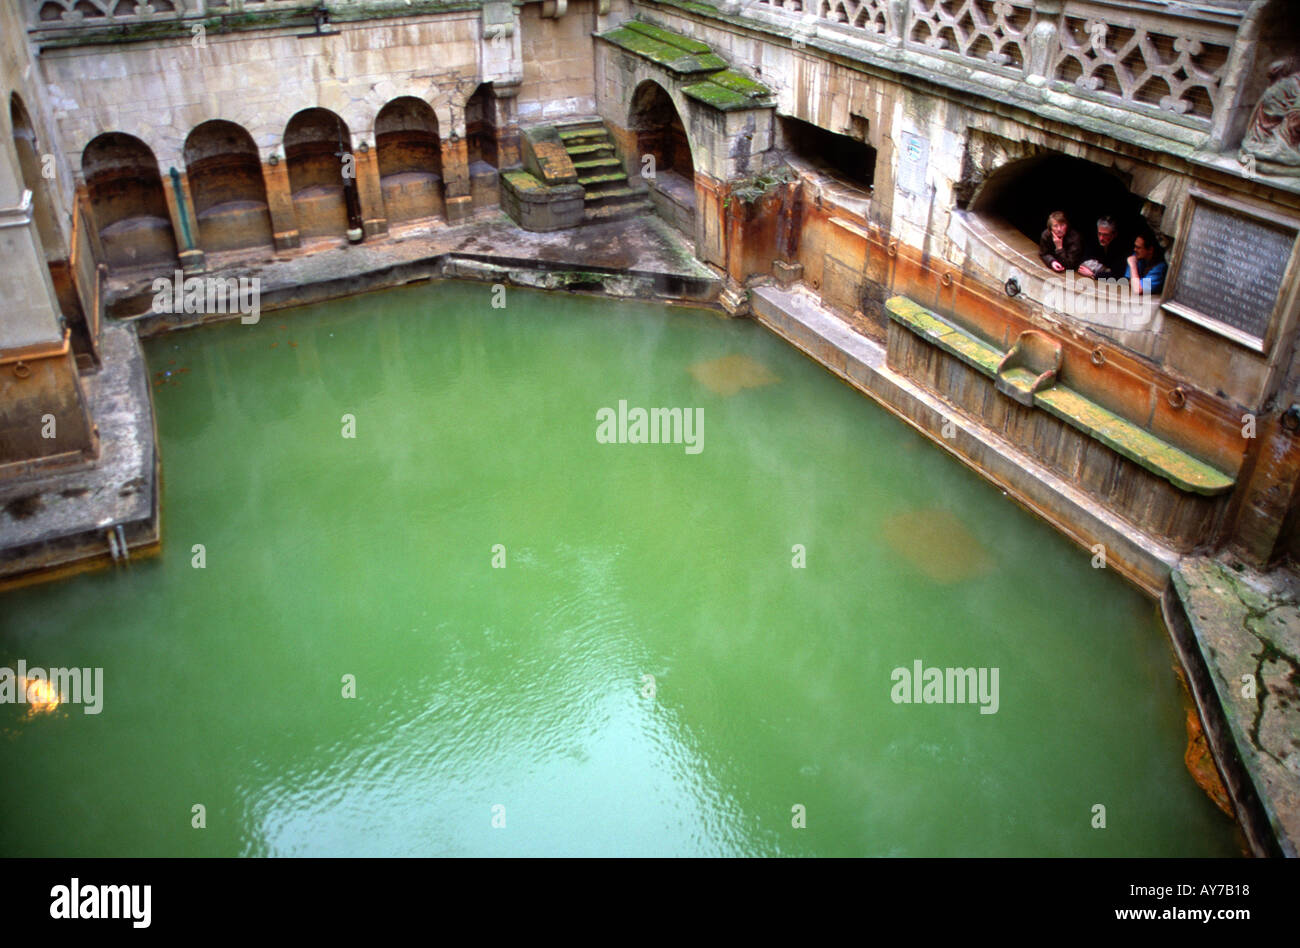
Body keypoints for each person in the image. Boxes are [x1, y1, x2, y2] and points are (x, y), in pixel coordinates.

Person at [1077, 216, 1126, 280]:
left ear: (1114, 234)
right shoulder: (1094, 242)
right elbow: (1083, 265)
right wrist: (1104, 271)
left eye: (1105, 235)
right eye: (1099, 234)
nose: (1101, 238)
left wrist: (1093, 274)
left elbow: (1117, 275)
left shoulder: (1120, 248)